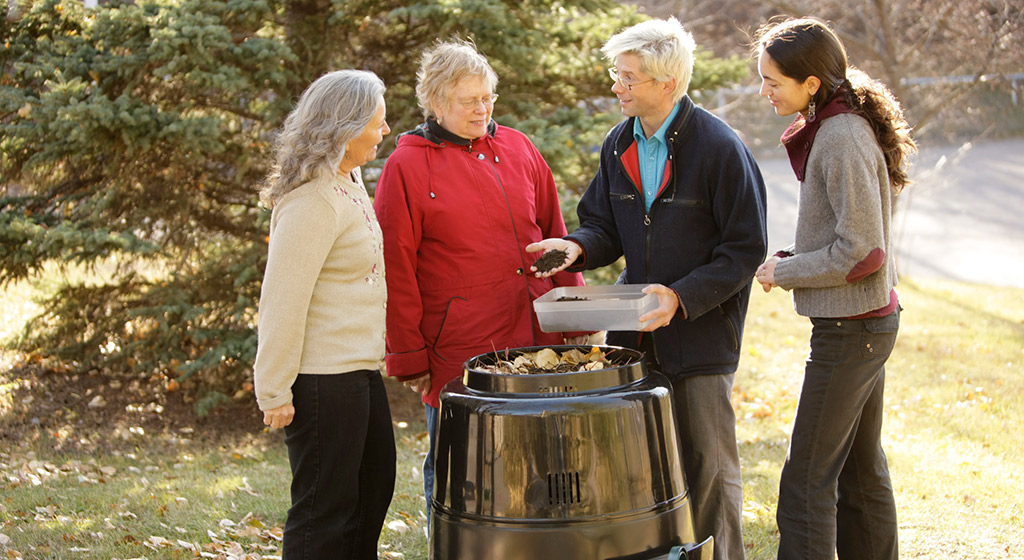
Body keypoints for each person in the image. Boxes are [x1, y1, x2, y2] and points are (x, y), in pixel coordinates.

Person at [527, 17, 767, 560]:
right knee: (643, 467)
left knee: (709, 469)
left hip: (703, 339)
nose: (617, 86)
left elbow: (744, 251)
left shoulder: (721, 148)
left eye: (627, 77)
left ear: (666, 83)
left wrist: (680, 297)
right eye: (617, 73)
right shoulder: (618, 143)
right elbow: (603, 225)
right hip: (635, 338)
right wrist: (577, 247)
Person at [372, 40, 588, 519]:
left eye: (487, 97)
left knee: (546, 464)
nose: (481, 109)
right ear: (435, 101)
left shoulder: (518, 146)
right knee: (461, 468)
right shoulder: (405, 166)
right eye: (468, 100)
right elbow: (395, 267)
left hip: (538, 338)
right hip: (460, 346)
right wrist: (407, 355)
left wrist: (574, 314)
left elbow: (556, 233)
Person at [752, 17, 916, 560]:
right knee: (859, 470)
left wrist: (786, 272)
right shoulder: (836, 125)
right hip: (866, 323)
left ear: (812, 84)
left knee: (805, 483)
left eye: (774, 81)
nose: (764, 91)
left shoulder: (841, 135)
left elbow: (862, 252)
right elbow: (848, 236)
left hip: (853, 331)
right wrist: (794, 257)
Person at [253, 69, 395, 560]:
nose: (386, 129)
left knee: (372, 492)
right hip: (321, 379)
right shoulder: (311, 201)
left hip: (357, 370)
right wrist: (273, 389)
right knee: (324, 511)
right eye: (377, 121)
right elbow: (281, 300)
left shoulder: (347, 183)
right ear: (348, 125)